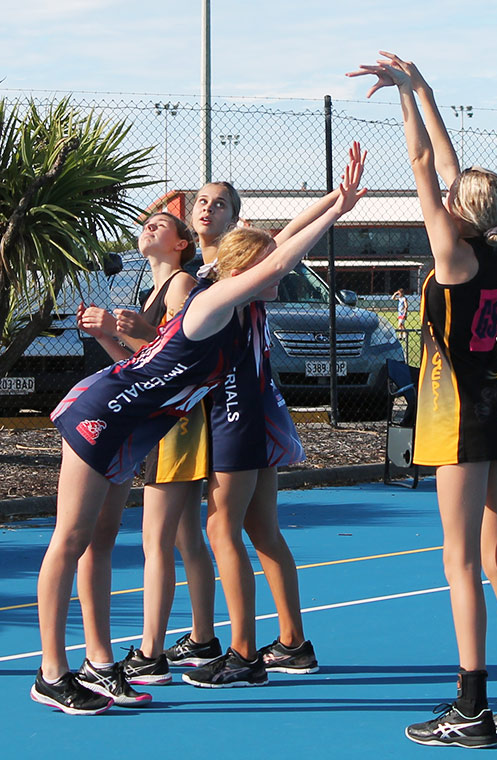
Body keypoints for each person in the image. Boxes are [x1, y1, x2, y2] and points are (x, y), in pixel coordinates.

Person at [30, 151, 365, 714]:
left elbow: (278, 242)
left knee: (102, 541)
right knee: (71, 539)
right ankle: (50, 673)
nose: (279, 280)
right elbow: (278, 259)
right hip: (104, 413)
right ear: (245, 274)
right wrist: (334, 215)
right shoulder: (209, 305)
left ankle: (99, 663)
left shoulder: (230, 310)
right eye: (263, 271)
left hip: (133, 425)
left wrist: (338, 200)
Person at [349, 52, 497, 747]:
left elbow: (420, 163)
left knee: (460, 561)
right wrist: (419, 85)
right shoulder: (493, 251)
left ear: (462, 207)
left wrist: (403, 102)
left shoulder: (453, 254)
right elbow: (445, 160)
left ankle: (470, 708)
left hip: (458, 413)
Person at [181, 162, 367, 687]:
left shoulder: (237, 272)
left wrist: (336, 204)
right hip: (248, 410)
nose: (208, 206)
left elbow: (287, 241)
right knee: (261, 530)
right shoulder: (213, 271)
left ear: (237, 220)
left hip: (237, 411)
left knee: (222, 528)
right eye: (202, 199)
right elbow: (284, 240)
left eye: (220, 202)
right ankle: (292, 642)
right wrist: (336, 202)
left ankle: (241, 655)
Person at [74, 211, 220, 688]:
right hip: (159, 417)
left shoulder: (180, 286)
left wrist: (129, 333)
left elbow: (179, 360)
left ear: (181, 244)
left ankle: (152, 651)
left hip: (174, 423)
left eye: (161, 225)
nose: (149, 229)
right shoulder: (155, 291)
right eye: (146, 225)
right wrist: (107, 337)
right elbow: (139, 366)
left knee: (156, 539)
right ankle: (202, 636)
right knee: (184, 537)